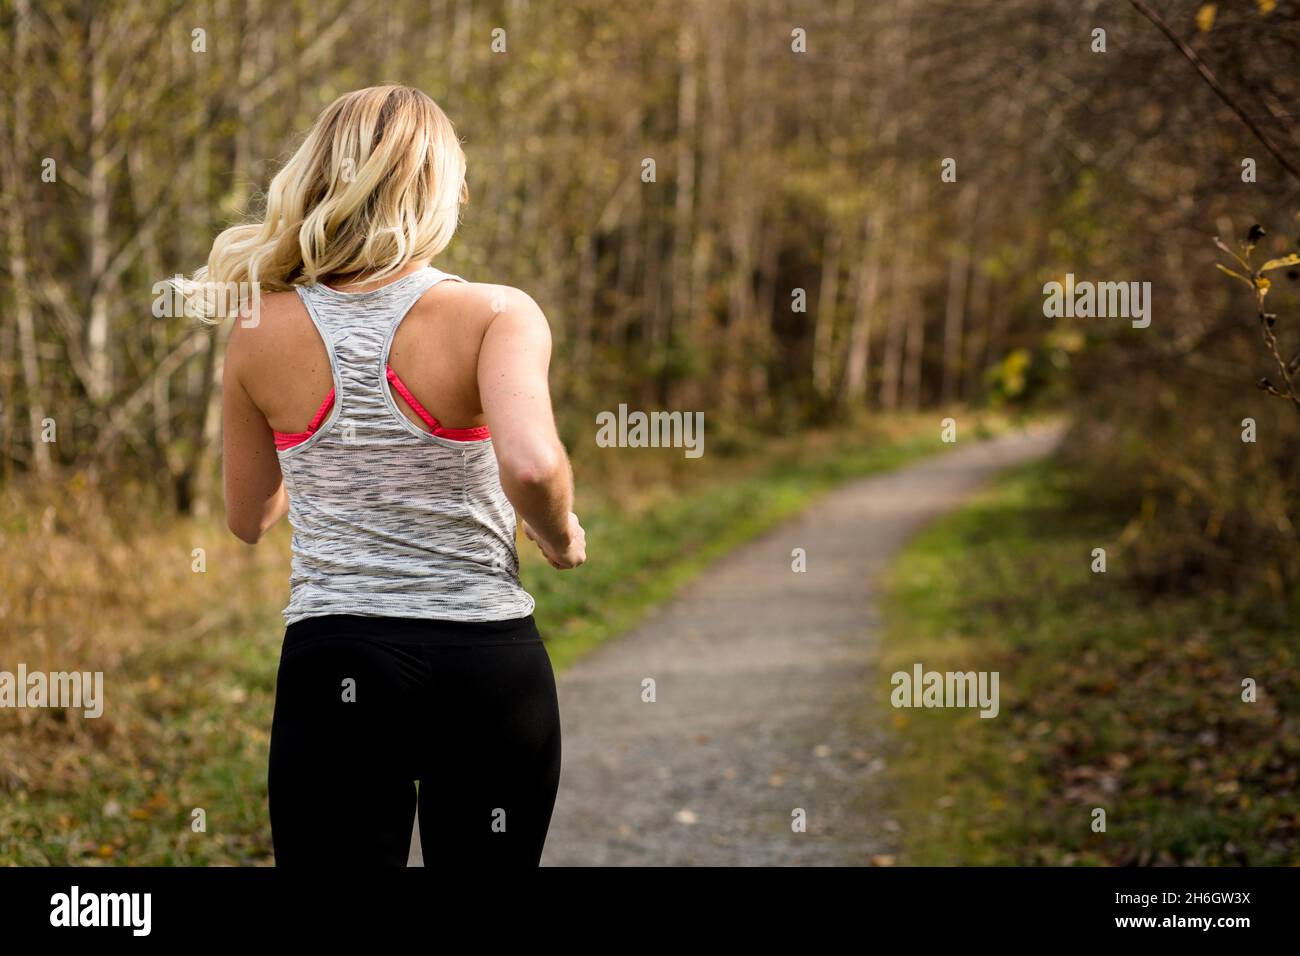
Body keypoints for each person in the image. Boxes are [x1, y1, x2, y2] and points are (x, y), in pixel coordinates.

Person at [183, 84, 584, 866]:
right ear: (445, 190)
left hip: (337, 660)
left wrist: (328, 441)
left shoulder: (260, 327)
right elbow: (533, 464)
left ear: (321, 180)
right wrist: (559, 535)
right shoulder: (497, 314)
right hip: (487, 662)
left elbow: (249, 517)